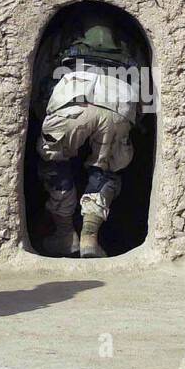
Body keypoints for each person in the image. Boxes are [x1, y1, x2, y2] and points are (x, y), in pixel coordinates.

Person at [37, 21, 142, 258]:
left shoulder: (59, 35)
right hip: (120, 97)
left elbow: (38, 83)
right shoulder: (129, 42)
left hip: (72, 92)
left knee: (53, 162)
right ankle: (90, 237)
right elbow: (146, 96)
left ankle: (65, 235)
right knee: (105, 170)